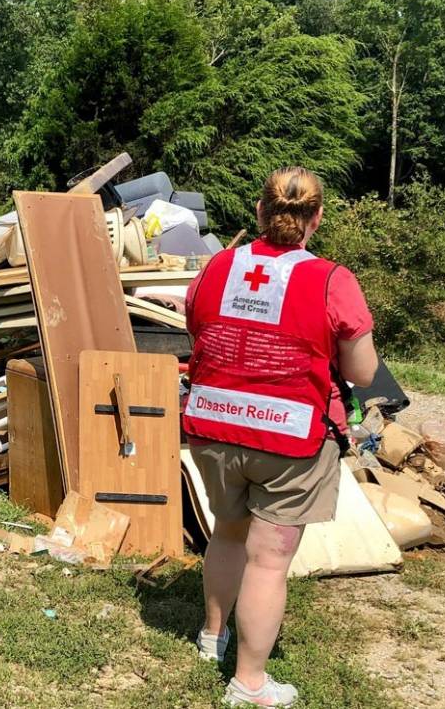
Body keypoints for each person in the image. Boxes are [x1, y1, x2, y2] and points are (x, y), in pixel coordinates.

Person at [183, 167, 378, 707]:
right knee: (268, 562)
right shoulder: (333, 279)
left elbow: (198, 329)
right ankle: (249, 683)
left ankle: (211, 636)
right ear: (316, 218)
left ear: (259, 213)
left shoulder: (218, 265)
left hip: (215, 426)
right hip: (289, 439)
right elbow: (362, 374)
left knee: (226, 533)